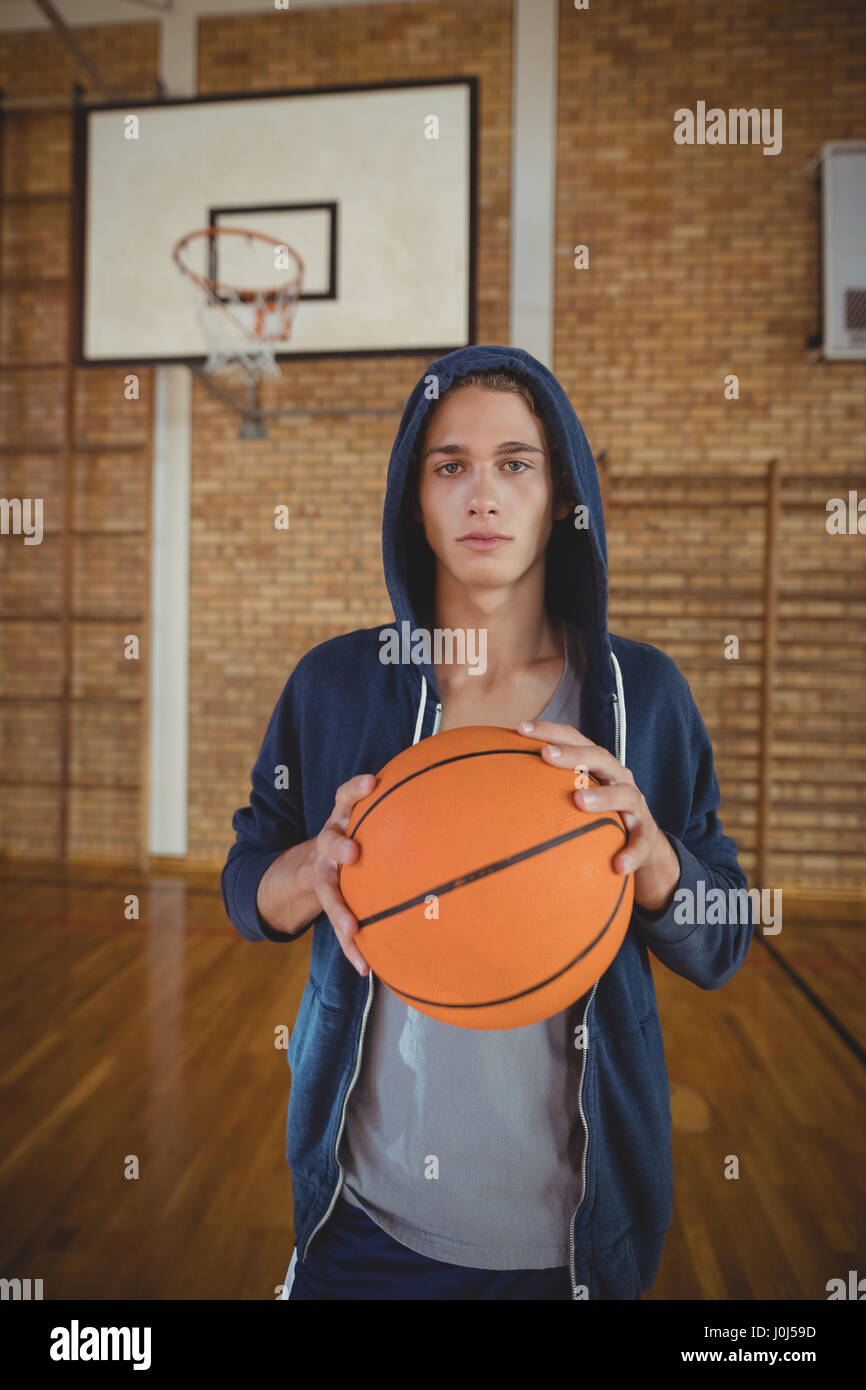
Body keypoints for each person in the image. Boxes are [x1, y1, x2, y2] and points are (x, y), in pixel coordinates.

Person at [220, 344, 753, 1300]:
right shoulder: (338, 685)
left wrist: (662, 864)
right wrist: (313, 868)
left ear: (561, 496)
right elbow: (247, 877)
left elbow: (725, 938)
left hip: (571, 1244)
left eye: (516, 464)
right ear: (413, 500)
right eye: (450, 465)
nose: (482, 495)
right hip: (362, 1222)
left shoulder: (645, 698)